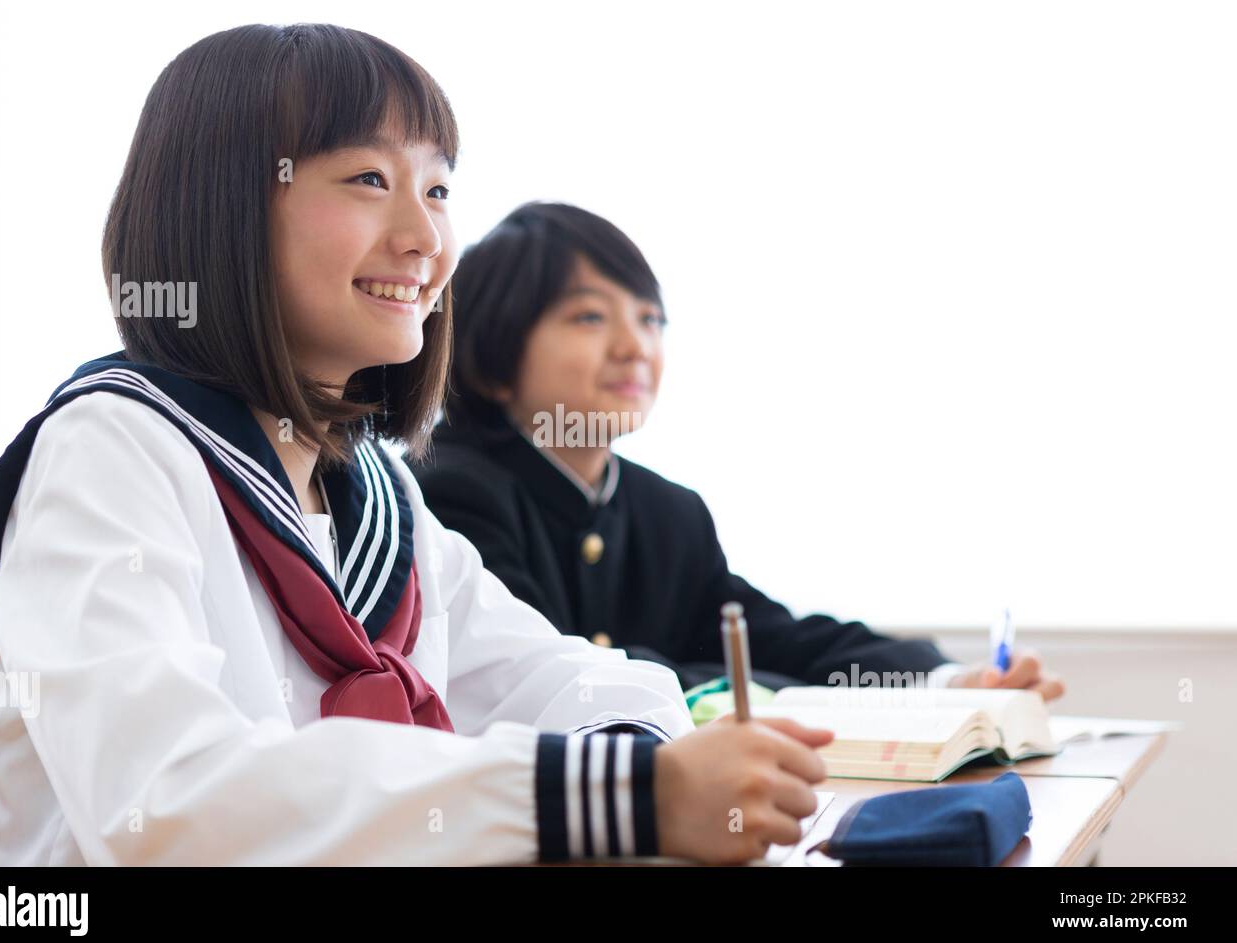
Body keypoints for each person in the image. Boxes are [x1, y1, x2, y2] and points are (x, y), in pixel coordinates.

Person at [0, 25, 833, 867]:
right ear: (223, 207)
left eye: (438, 189)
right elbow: (164, 805)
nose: (426, 239)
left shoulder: (376, 489)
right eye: (369, 179)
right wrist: (618, 799)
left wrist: (641, 770)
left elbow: (567, 679)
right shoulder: (112, 449)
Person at [411, 202, 1066, 699]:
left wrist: (943, 682)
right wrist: (761, 694)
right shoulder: (448, 488)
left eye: (650, 319)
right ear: (492, 353)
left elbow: (768, 637)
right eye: (590, 316)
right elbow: (554, 677)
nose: (635, 346)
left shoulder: (668, 510)